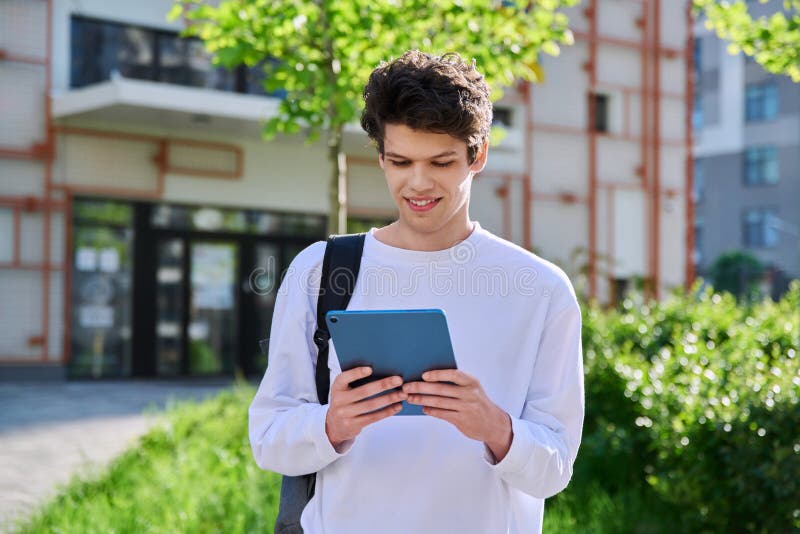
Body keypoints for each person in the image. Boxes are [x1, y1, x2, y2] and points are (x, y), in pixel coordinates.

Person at [249, 50, 584, 533]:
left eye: (441, 162)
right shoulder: (321, 271)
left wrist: (496, 428)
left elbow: (556, 469)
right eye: (400, 161)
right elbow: (268, 438)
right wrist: (332, 424)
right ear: (381, 157)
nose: (418, 183)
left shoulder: (541, 289)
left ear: (478, 155)